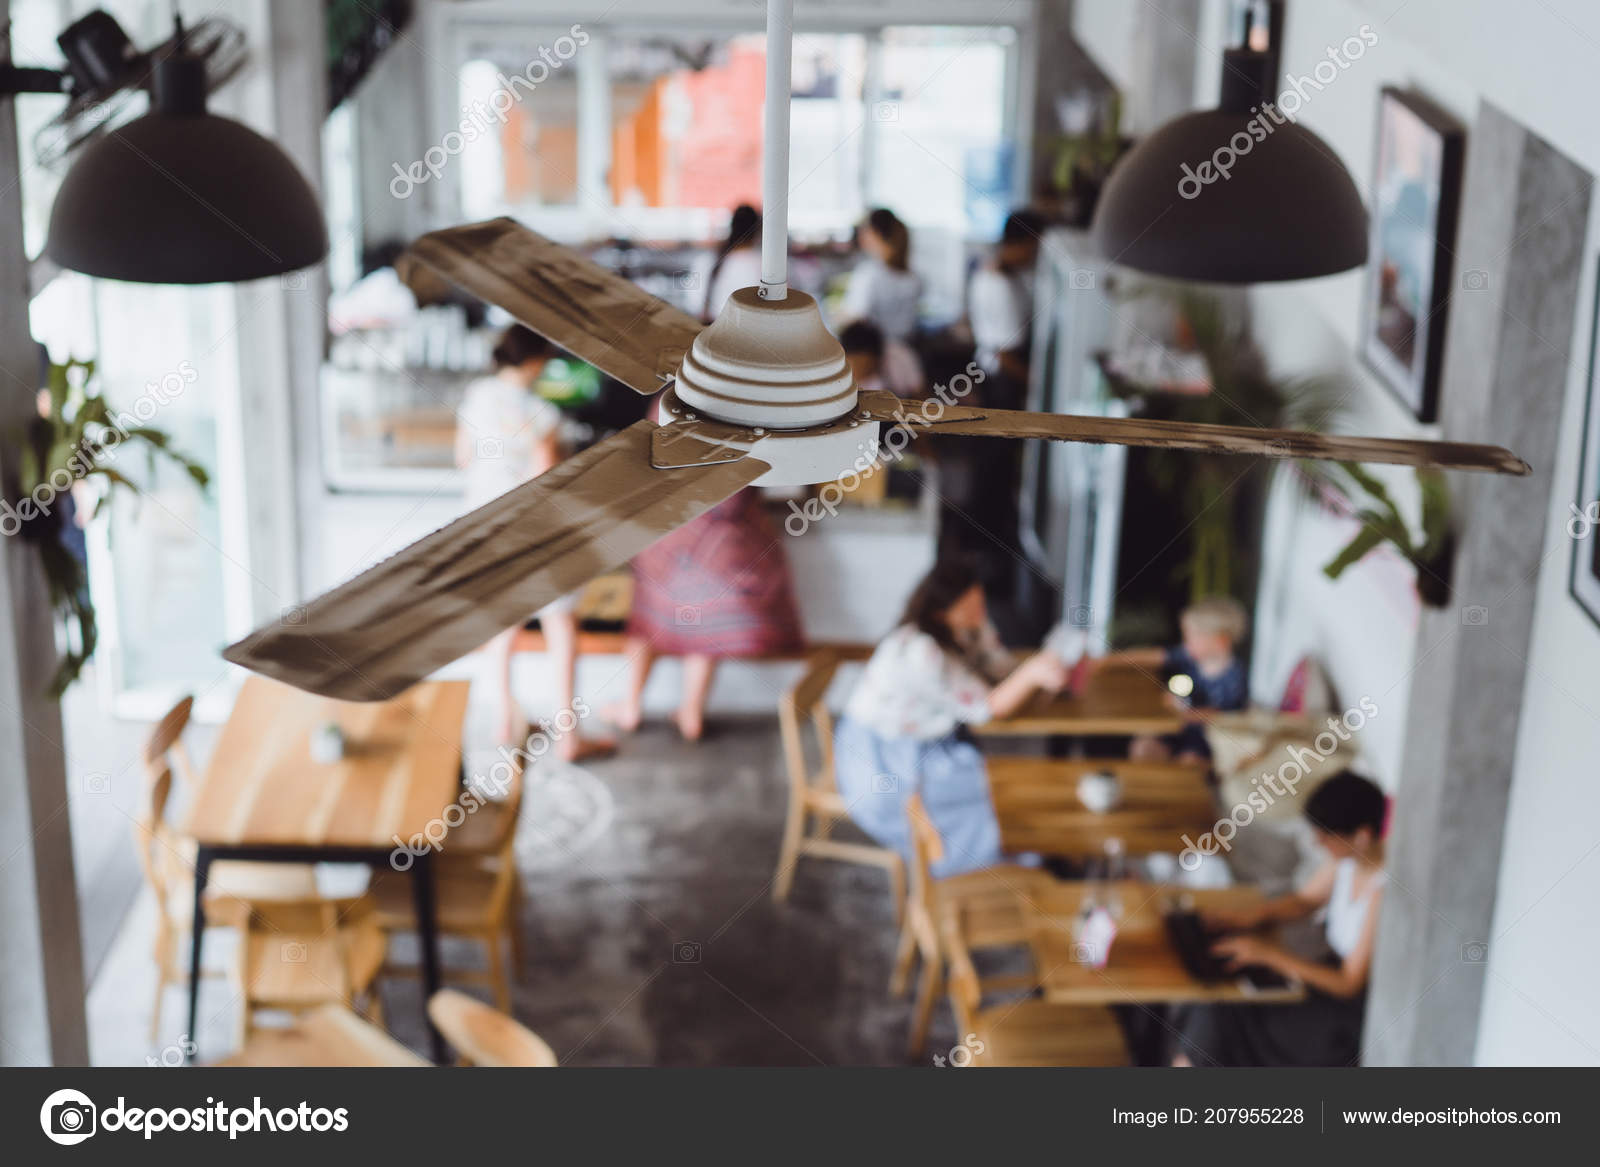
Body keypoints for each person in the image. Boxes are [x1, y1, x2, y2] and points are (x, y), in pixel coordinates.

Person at [833, 558, 1071, 877]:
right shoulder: (922, 650)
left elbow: (1000, 668)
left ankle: (1025, 853)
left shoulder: (965, 629)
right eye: (971, 605)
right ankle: (1000, 863)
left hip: (924, 740)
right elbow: (986, 709)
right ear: (941, 610)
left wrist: (1032, 666)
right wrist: (1030, 674)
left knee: (995, 782)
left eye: (981, 602)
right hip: (883, 753)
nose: (980, 612)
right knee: (982, 790)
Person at [457, 324, 613, 760]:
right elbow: (546, 477)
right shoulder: (543, 414)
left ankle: (504, 722)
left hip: (486, 527)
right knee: (560, 626)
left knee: (502, 625)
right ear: (533, 362)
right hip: (536, 531)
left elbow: (463, 458)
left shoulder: (477, 397)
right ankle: (568, 737)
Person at [1171, 770, 1389, 1067]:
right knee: (1211, 1005)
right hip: (1318, 981)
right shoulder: (1347, 861)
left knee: (1222, 1014)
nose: (1317, 843)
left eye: (1325, 837)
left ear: (1362, 837)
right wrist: (1252, 916)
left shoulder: (1382, 891)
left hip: (1340, 1014)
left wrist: (1267, 955)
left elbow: (1349, 983)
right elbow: (1305, 901)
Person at [607, 448, 805, 742]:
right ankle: (692, 711)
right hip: (726, 542)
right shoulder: (752, 419)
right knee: (705, 628)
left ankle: (631, 706)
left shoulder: (669, 405)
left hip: (671, 537)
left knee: (647, 620)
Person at [1084, 596, 1249, 762]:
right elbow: (1152, 656)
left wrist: (1179, 711)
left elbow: (1221, 716)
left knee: (1190, 760)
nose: (1186, 644)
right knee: (1142, 747)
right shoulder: (1189, 656)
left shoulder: (1234, 676)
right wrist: (1106, 661)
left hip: (1208, 740)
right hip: (1177, 730)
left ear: (1220, 641)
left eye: (1192, 637)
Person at [966, 209, 1045, 388]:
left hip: (991, 367)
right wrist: (1038, 387)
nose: (1035, 255)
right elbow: (1005, 357)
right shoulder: (1000, 286)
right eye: (1034, 247)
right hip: (1003, 375)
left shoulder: (990, 270)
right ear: (1023, 243)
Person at [839, 208, 922, 343]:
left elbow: (855, 318)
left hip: (873, 356)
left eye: (864, 229)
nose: (860, 234)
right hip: (905, 353)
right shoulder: (914, 278)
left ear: (875, 233)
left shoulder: (869, 273)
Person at [704, 204, 764, 321]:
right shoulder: (763, 265)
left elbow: (695, 305)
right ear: (758, 231)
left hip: (711, 331)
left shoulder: (707, 259)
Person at [840, 319, 924, 400]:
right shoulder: (839, 380)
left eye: (863, 365)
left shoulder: (899, 357)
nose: (858, 371)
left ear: (877, 358)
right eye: (854, 364)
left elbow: (919, 393)